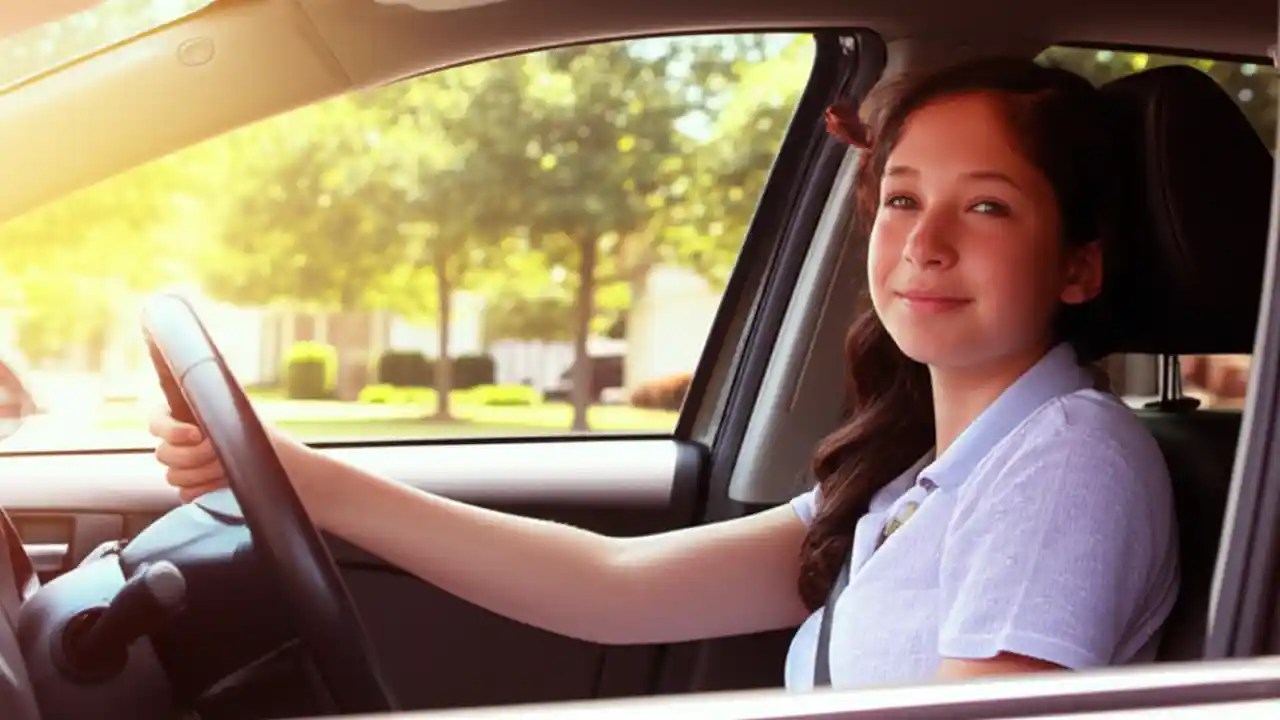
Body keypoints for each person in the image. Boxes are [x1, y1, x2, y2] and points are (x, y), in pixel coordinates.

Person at [149, 57, 1177, 691]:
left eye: (986, 206)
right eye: (902, 198)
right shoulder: (922, 477)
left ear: (1077, 264)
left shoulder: (1064, 467)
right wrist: (302, 478)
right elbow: (613, 588)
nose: (923, 243)